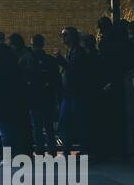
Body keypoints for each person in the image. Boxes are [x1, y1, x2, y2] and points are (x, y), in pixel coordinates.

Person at [56, 27, 91, 156]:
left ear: (72, 37)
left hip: (76, 93)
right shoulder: (70, 52)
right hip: (69, 93)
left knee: (76, 122)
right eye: (62, 34)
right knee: (66, 122)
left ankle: (80, 150)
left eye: (65, 35)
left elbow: (74, 70)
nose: (63, 37)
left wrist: (61, 61)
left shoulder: (78, 52)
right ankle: (67, 150)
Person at [0, 40, 29, 154]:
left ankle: (7, 156)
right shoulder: (15, 66)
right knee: (15, 131)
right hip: (15, 103)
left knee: (4, 132)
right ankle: (17, 154)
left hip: (1, 103)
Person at [25, 35, 60, 155]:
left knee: (37, 127)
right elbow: (56, 79)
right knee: (49, 127)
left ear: (32, 43)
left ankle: (40, 151)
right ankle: (52, 151)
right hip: (48, 98)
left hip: (34, 98)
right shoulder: (50, 60)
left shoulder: (28, 59)